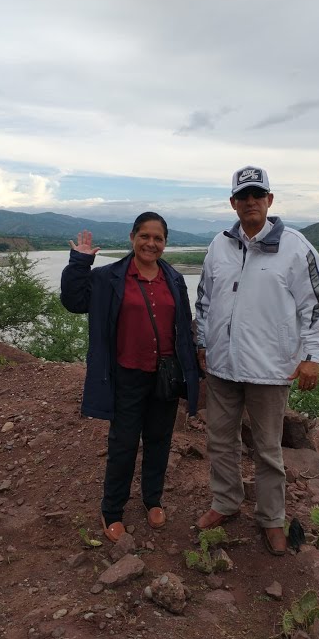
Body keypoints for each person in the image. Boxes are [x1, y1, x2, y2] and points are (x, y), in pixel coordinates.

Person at [193, 166, 319, 556]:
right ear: (233, 203)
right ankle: (225, 502)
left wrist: (312, 356)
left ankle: (272, 518)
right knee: (220, 440)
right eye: (243, 196)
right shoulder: (218, 245)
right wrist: (203, 340)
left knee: (268, 449)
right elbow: (204, 298)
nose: (250, 202)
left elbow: (317, 305)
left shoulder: (295, 247)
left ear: (269, 200)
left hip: (271, 370)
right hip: (221, 367)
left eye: (258, 195)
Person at [60, 212, 201, 543]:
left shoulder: (175, 279)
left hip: (164, 376)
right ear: (132, 237)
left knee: (159, 440)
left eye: (158, 238)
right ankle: (112, 510)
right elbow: (74, 301)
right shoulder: (110, 277)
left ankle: (153, 500)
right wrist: (80, 262)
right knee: (123, 444)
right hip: (126, 375)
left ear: (165, 243)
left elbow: (183, 328)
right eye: (145, 236)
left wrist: (192, 368)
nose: (151, 243)